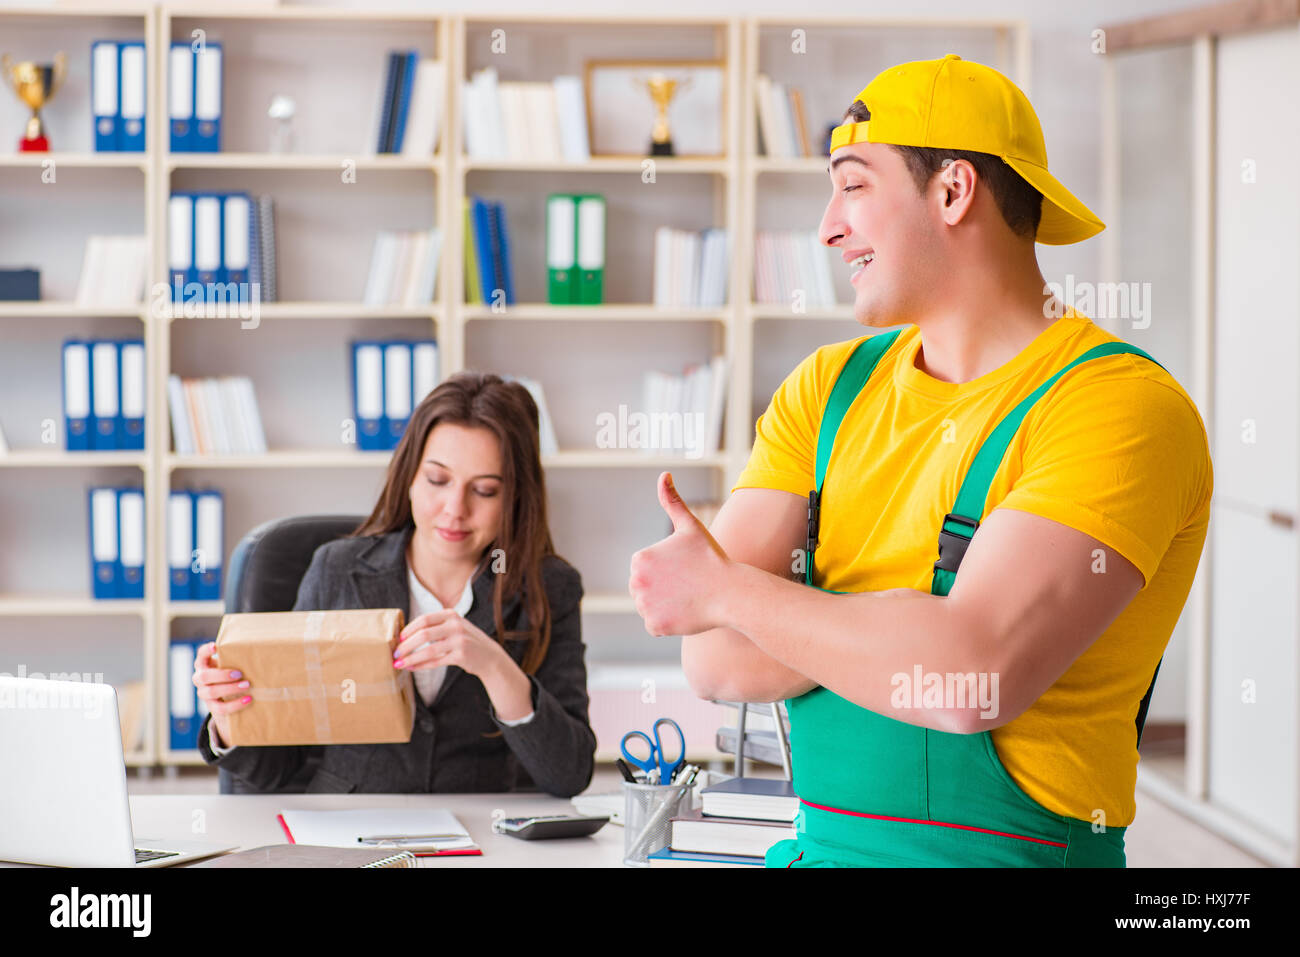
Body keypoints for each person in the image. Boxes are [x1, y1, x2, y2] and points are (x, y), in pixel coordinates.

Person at [628, 55, 1213, 866]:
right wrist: (907, 632)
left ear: (952, 191)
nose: (827, 227)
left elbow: (970, 676)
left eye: (854, 185)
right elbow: (715, 659)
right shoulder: (827, 391)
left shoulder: (1119, 408)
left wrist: (734, 590)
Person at [194, 372, 595, 797]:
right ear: (409, 476)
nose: (454, 509)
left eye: (485, 490)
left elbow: (568, 774)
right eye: (437, 481)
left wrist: (494, 666)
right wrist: (228, 717)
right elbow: (276, 768)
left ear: (515, 497)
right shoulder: (337, 569)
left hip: (478, 836)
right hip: (347, 832)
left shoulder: (550, 586)